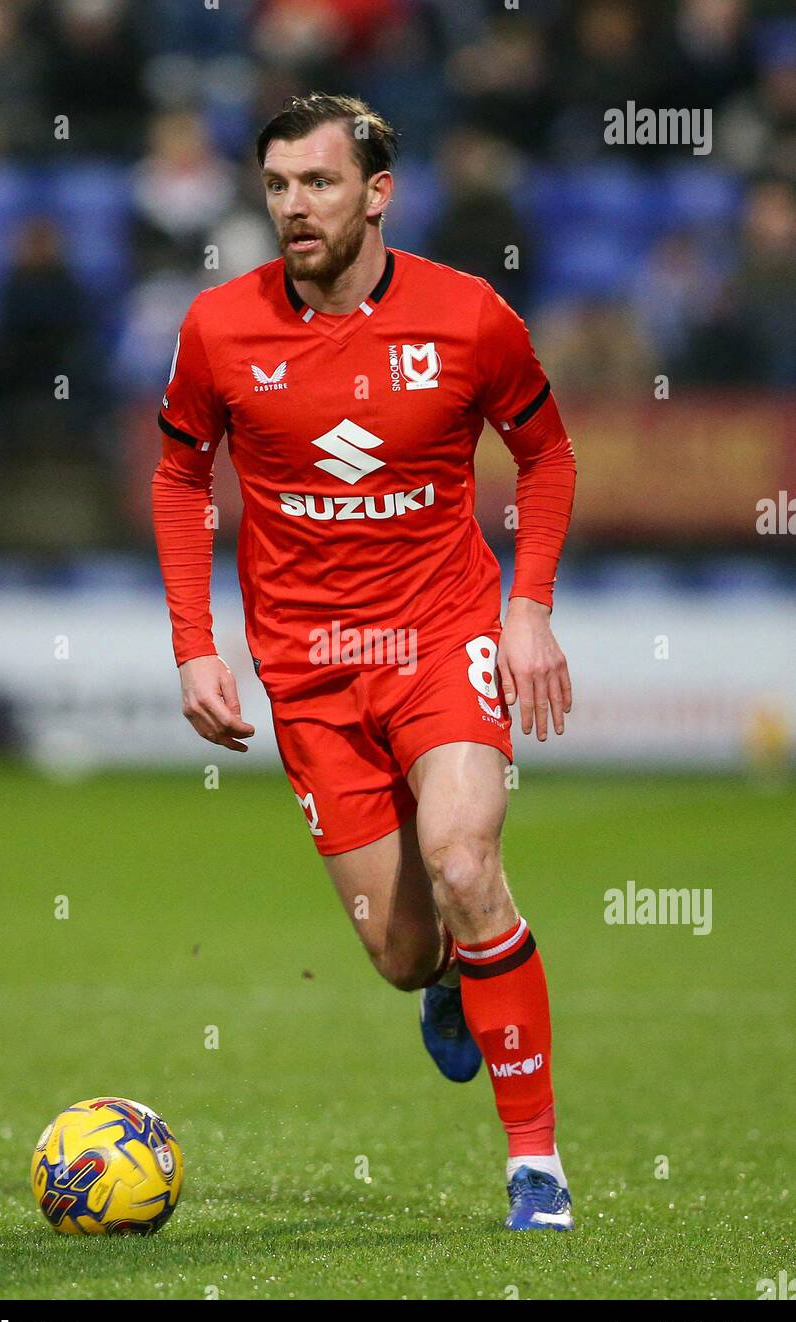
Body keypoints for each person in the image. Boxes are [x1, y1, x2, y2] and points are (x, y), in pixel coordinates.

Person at [152, 93, 577, 1230]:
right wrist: (195, 647)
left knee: (463, 857)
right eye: (279, 185)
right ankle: (442, 980)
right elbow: (181, 478)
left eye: (320, 184)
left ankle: (532, 1162)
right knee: (400, 951)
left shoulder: (469, 316)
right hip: (309, 672)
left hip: (443, 639)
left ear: (376, 193)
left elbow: (544, 456)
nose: (295, 207)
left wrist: (525, 605)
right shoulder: (217, 329)